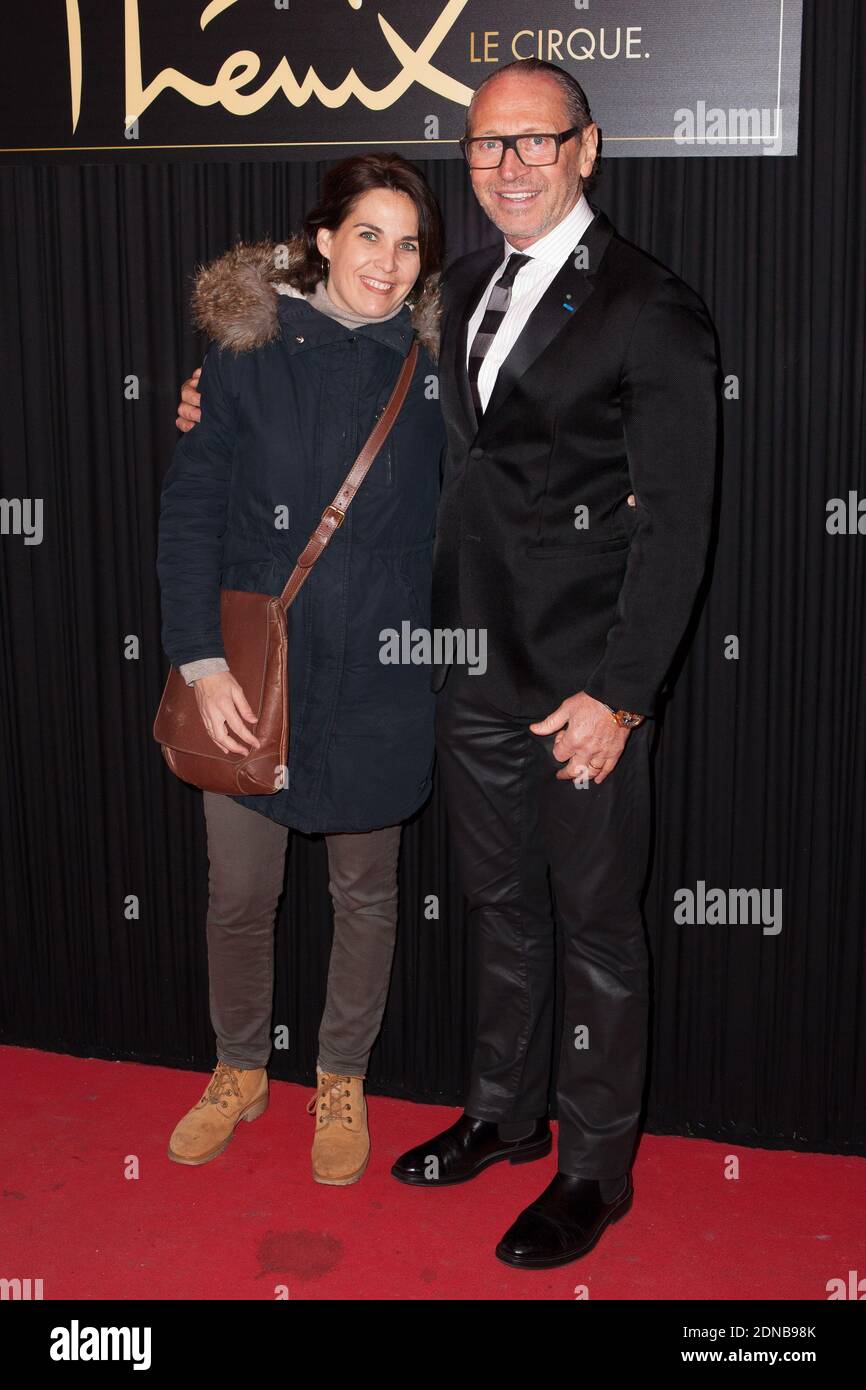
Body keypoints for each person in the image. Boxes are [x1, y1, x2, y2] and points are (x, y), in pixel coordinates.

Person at [387, 59, 719, 1270]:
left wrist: (623, 696)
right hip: (470, 665)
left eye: (534, 142)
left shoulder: (647, 304)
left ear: (588, 148)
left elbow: (678, 524)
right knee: (496, 910)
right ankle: (500, 1113)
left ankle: (592, 1168)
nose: (507, 166)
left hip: (581, 689)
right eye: (485, 147)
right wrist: (223, 389)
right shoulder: (463, 280)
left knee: (593, 931)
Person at [158, 152, 446, 1185]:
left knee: (367, 894)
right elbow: (192, 512)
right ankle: (237, 1069)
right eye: (368, 233)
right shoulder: (245, 352)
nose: (388, 259)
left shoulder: (438, 372)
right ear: (322, 238)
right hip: (252, 675)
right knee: (238, 892)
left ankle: (340, 1077)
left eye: (408, 242)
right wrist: (198, 663)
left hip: (378, 676)